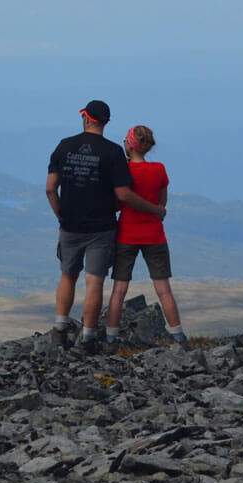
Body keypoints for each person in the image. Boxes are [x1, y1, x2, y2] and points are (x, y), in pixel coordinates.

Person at [46, 100, 166, 354]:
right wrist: (155, 210)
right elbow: (123, 194)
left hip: (70, 225)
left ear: (86, 118)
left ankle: (59, 331)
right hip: (101, 227)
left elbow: (50, 189)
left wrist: (61, 216)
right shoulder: (112, 152)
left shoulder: (64, 146)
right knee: (94, 281)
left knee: (67, 275)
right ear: (105, 122)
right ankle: (87, 339)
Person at [110, 123, 187, 348]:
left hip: (127, 234)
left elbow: (117, 203)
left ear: (130, 145)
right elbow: (162, 204)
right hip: (155, 235)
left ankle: (111, 337)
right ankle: (178, 336)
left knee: (119, 289)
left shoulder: (124, 171)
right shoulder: (159, 169)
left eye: (125, 140)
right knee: (163, 289)